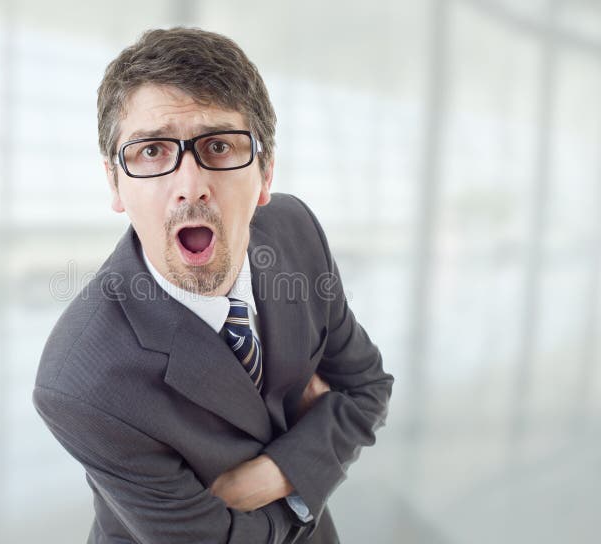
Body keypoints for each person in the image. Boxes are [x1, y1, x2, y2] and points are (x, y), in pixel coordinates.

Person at [33, 27, 393, 544]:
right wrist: (311, 450)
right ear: (115, 184)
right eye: (153, 151)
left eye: (219, 146)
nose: (189, 186)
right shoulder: (79, 381)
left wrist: (272, 475)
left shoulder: (296, 232)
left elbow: (367, 390)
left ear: (265, 174)